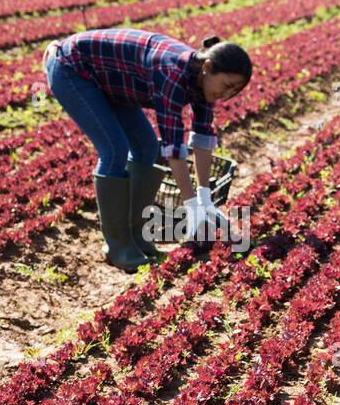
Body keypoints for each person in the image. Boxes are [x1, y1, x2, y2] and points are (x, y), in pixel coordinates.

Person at [43, 29, 252, 272]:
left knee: (147, 149)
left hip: (111, 79)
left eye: (234, 90)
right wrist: (191, 206)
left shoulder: (203, 82)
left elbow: (203, 136)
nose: (226, 95)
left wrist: (205, 198)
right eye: (226, 85)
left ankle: (136, 236)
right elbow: (174, 147)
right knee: (114, 151)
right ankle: (118, 247)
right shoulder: (172, 73)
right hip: (74, 69)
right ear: (207, 67)